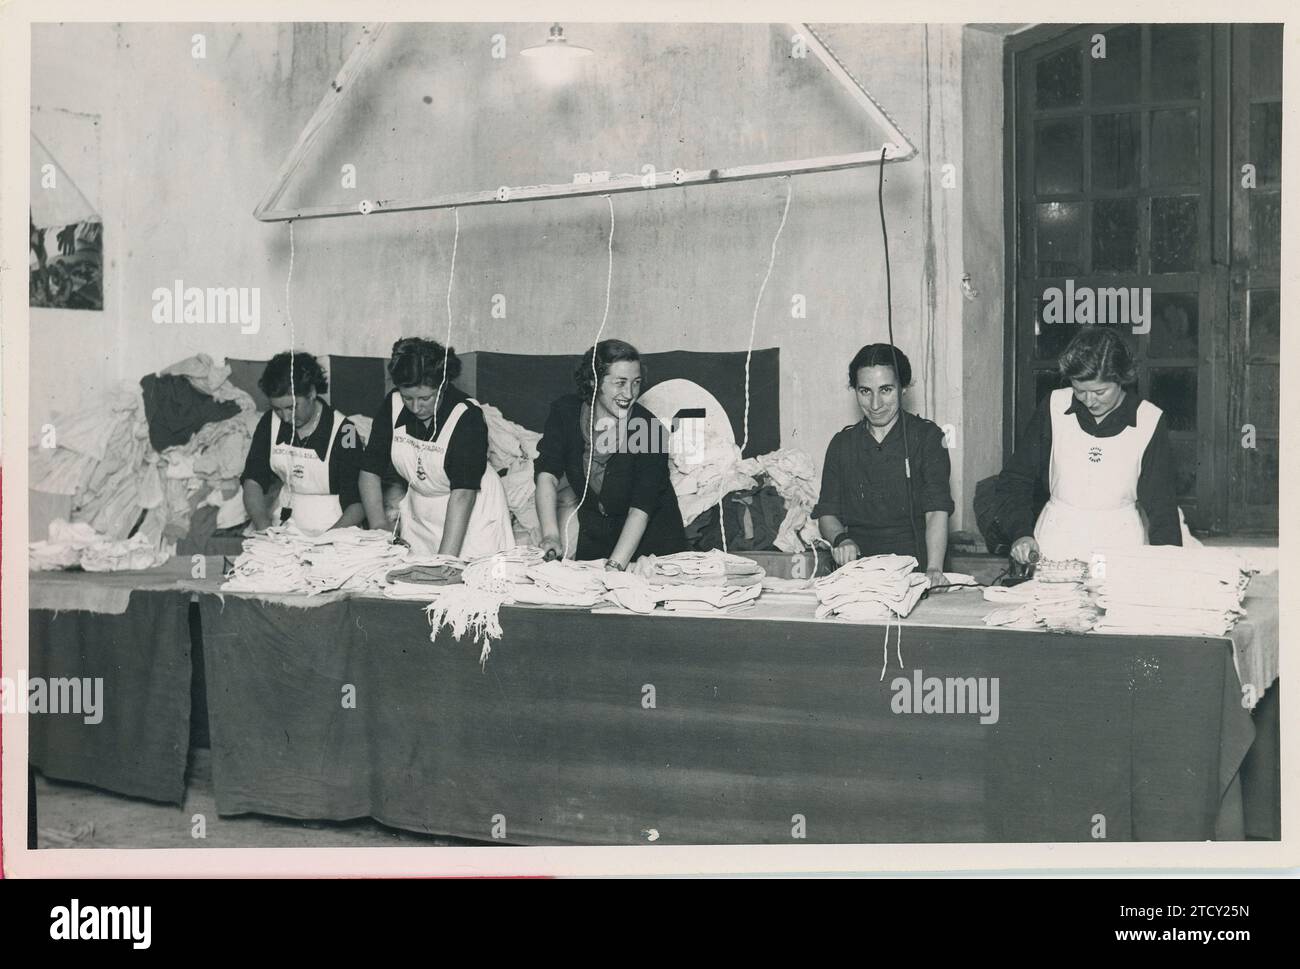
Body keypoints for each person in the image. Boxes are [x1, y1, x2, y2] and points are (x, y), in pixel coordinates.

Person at [999, 326, 1182, 565]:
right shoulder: (1053, 406)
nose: (1089, 400)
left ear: (1121, 379)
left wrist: (1170, 570)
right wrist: (1020, 533)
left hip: (1120, 546)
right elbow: (1016, 478)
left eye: (1100, 391)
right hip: (1054, 544)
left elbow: (1162, 508)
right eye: (1079, 391)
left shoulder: (1148, 421)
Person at [533, 339, 687, 569]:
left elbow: (640, 509)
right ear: (594, 382)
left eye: (636, 383)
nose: (630, 393)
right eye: (620, 383)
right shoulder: (565, 412)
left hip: (652, 548)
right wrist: (551, 535)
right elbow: (547, 474)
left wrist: (615, 566)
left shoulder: (650, 429)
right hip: (597, 542)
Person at [358, 337, 513, 558]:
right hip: (421, 514)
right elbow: (369, 470)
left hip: (471, 516)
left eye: (425, 398)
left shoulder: (467, 415)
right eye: (407, 398)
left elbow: (463, 495)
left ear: (443, 385)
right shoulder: (392, 404)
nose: (415, 407)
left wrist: (444, 561)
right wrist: (379, 526)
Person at [813, 344, 953, 585]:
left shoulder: (928, 438)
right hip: (858, 571)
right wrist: (841, 540)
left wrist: (933, 570)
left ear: (904, 388)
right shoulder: (842, 444)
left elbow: (936, 512)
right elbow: (827, 513)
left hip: (916, 569)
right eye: (865, 391)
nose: (875, 404)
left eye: (885, 390)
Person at [240, 351, 365, 535]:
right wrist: (264, 528)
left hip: (335, 528)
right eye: (277, 409)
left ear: (312, 392)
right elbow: (253, 480)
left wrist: (323, 542)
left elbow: (357, 504)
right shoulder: (270, 423)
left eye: (292, 407)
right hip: (282, 526)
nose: (285, 417)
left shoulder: (344, 431)